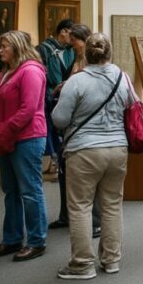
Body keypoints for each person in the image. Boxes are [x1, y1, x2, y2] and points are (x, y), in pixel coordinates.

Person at [51, 33, 134, 279]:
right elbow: (134, 105)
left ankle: (82, 264)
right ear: (110, 53)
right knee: (111, 205)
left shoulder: (76, 82)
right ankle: (111, 260)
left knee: (80, 207)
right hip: (117, 149)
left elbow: (59, 119)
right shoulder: (122, 77)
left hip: (84, 150)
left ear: (85, 54)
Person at [0, 31, 49, 262]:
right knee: (10, 191)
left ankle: (36, 240)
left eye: (4, 46)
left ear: (18, 47)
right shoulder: (6, 72)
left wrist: (4, 129)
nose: (0, 50)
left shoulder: (30, 70)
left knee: (30, 191)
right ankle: (12, 238)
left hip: (27, 137)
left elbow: (28, 109)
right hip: (8, 137)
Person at [48, 24, 102, 235]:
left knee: (88, 177)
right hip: (71, 124)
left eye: (74, 41)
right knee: (64, 171)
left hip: (84, 125)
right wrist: (65, 85)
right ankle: (66, 215)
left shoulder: (91, 62)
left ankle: (94, 221)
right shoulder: (74, 57)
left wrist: (69, 86)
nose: (70, 44)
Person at [38, 20, 75, 176]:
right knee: (50, 128)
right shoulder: (43, 49)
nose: (73, 39)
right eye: (71, 34)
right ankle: (53, 162)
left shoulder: (70, 50)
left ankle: (59, 162)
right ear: (63, 32)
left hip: (64, 94)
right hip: (49, 95)